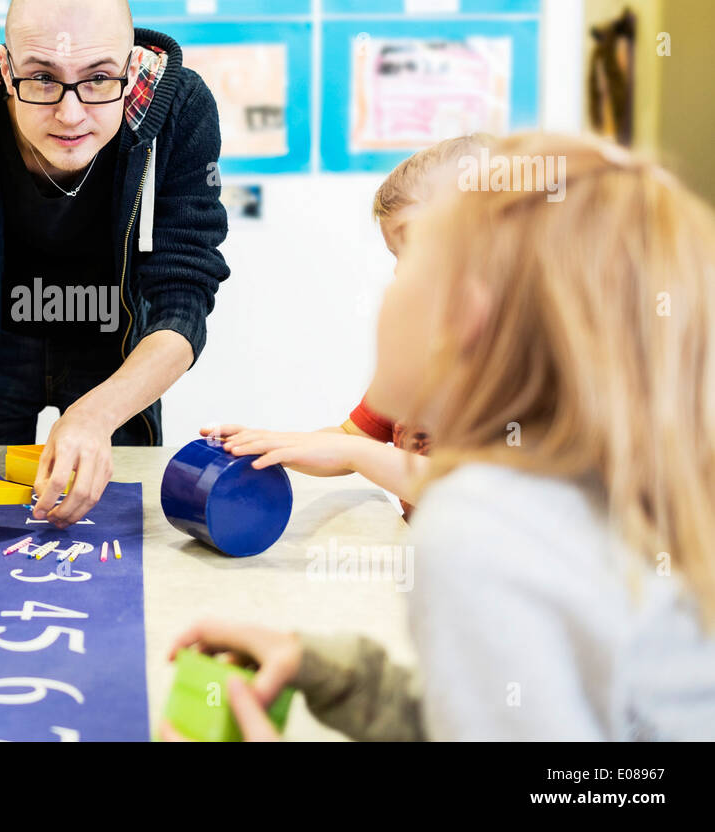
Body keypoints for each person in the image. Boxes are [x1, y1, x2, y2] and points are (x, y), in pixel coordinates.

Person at [166, 133, 715, 740]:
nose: (391, 282)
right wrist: (339, 676)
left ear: (467, 312)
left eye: (413, 264)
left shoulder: (481, 529)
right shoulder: (563, 500)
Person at [0, 0, 230, 527]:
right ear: (5, 66)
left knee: (121, 530)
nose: (70, 114)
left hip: (119, 351)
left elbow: (184, 298)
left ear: (129, 67)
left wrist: (95, 415)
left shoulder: (180, 113)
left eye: (99, 79)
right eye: (42, 78)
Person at [205, 134, 494, 517]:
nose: (401, 269)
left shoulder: (519, 367)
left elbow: (467, 489)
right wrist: (278, 445)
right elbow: (348, 439)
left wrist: (355, 453)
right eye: (396, 254)